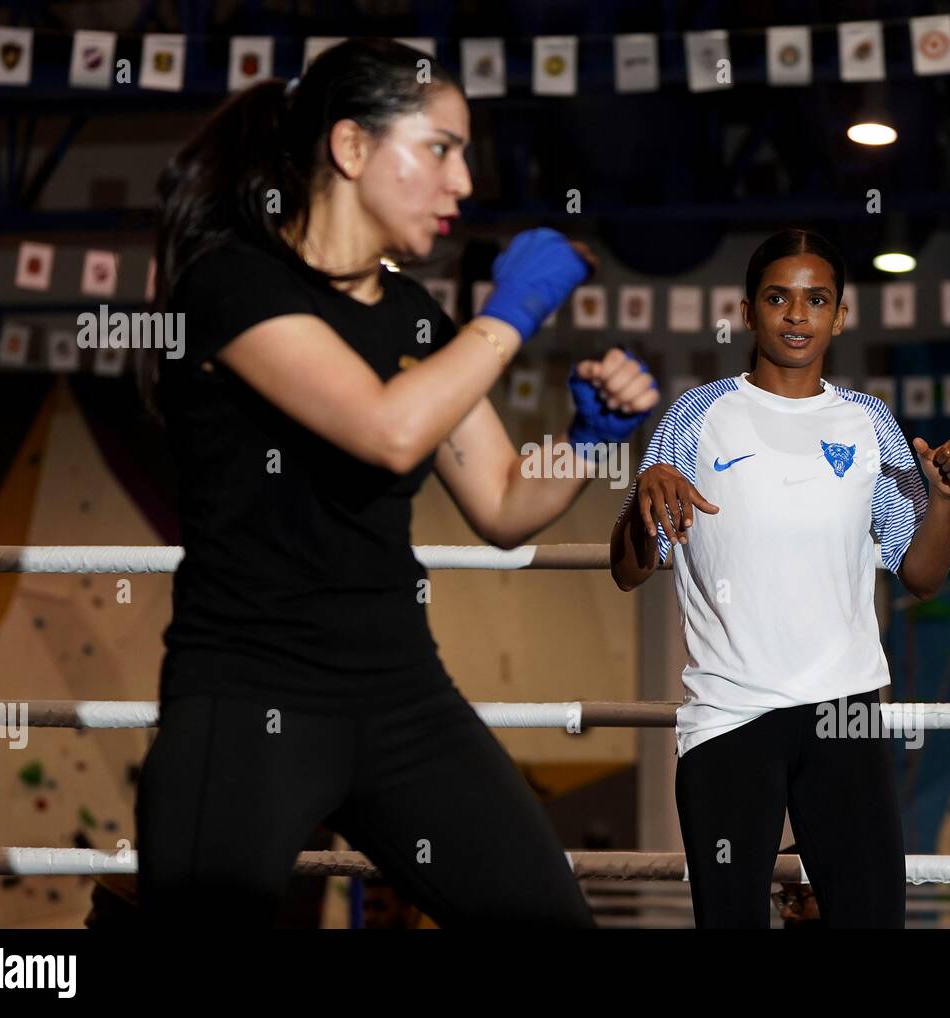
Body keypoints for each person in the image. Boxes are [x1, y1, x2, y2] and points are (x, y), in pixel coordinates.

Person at [134, 38, 659, 927]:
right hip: (247, 692)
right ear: (351, 148)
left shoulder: (416, 316)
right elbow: (387, 430)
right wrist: (509, 314)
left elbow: (501, 505)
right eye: (441, 149)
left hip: (401, 696)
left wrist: (587, 442)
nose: (462, 184)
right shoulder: (232, 286)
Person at [610, 228, 950, 929]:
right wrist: (641, 496)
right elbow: (629, 573)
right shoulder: (694, 416)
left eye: (817, 299)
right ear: (748, 312)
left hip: (844, 710)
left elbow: (923, 577)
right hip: (729, 716)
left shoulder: (871, 423)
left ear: (840, 316)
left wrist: (945, 503)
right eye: (778, 297)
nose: (797, 314)